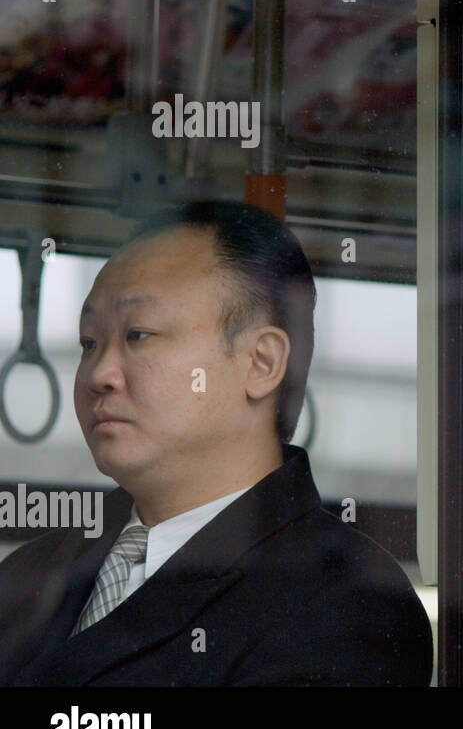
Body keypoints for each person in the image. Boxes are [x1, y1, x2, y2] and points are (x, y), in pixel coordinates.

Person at [0, 200, 432, 685]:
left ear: (260, 363)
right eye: (88, 343)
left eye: (138, 335)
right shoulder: (28, 576)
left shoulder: (347, 603)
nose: (99, 374)